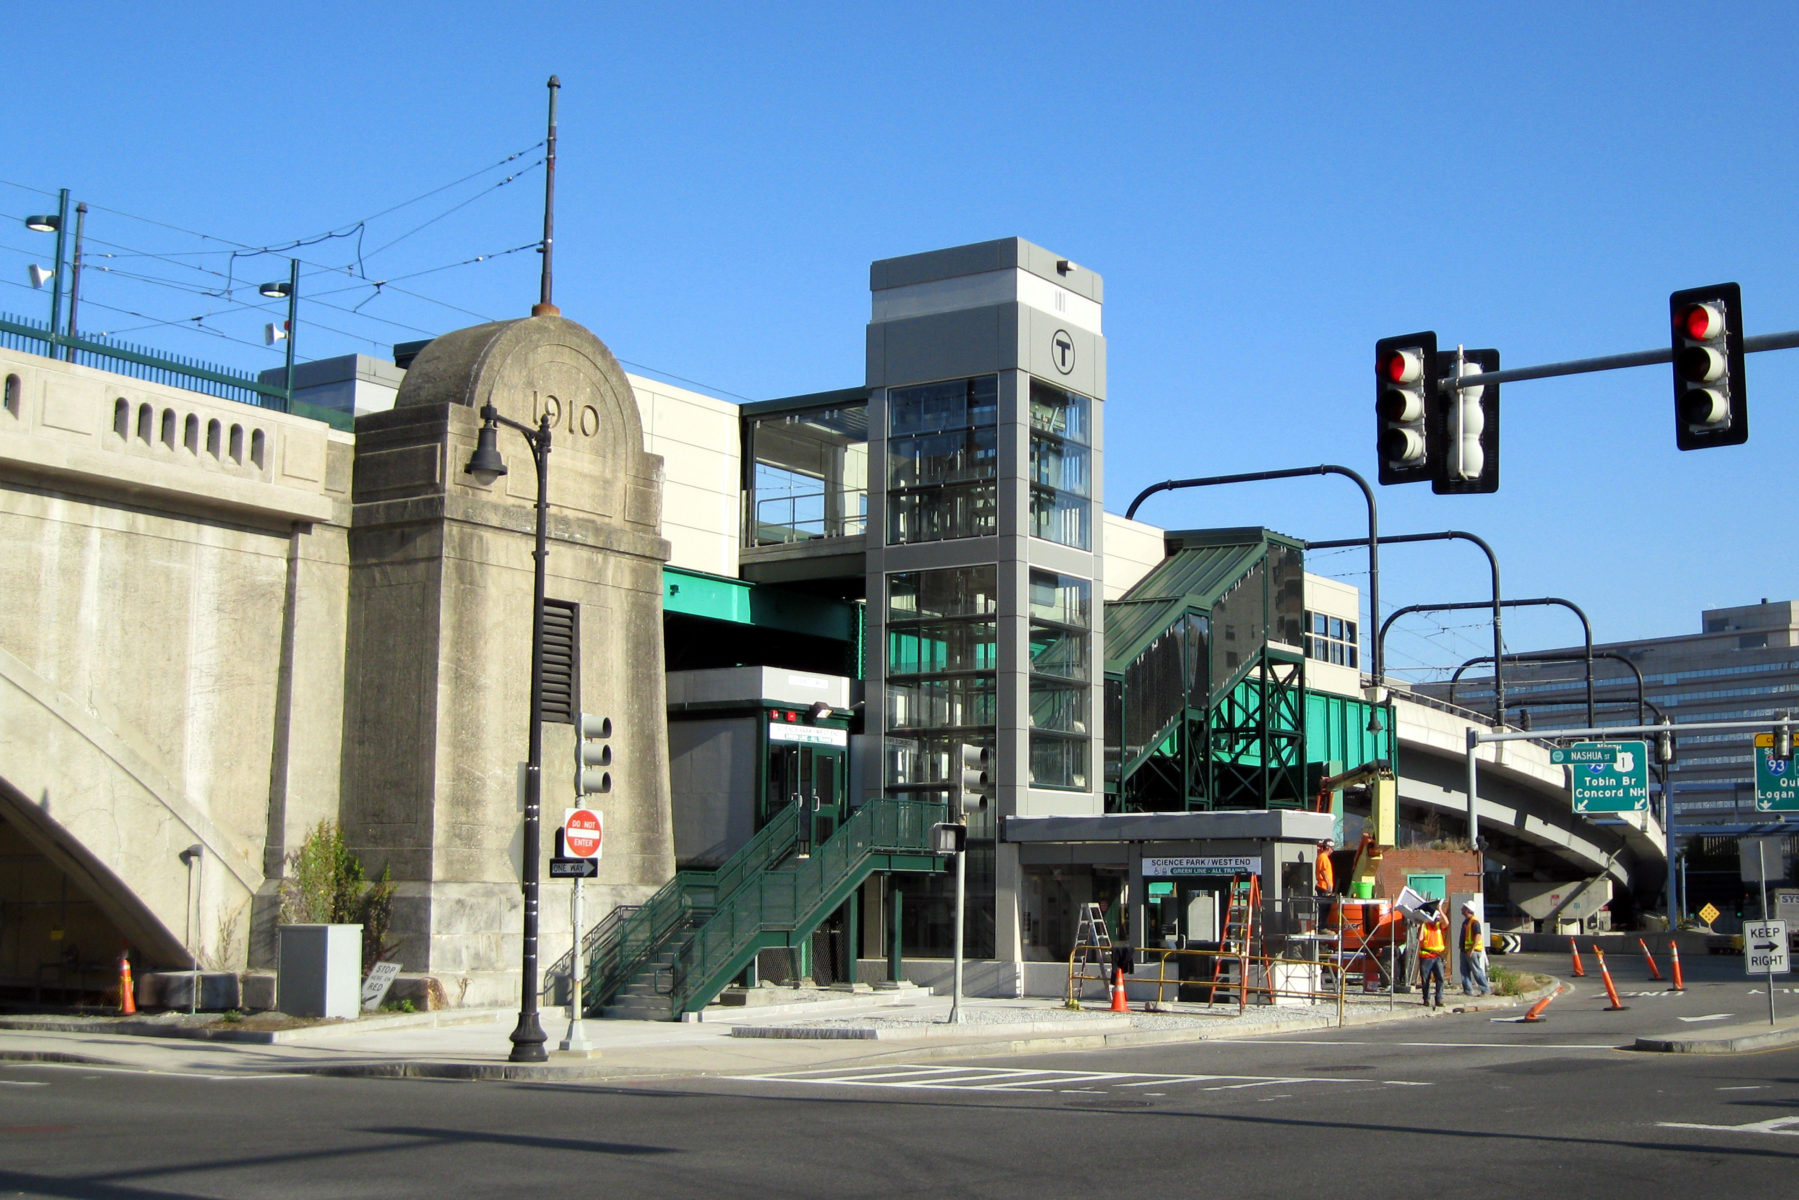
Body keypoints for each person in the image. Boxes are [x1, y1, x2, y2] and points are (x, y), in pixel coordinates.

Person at [1416, 902, 1449, 1007]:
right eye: (1436, 918)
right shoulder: (1425, 926)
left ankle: (1439, 999)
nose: (1437, 920)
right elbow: (1420, 938)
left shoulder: (1439, 926)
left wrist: (1440, 910)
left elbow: (1447, 923)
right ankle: (1426, 999)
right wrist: (1422, 923)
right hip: (1426, 957)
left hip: (1437, 956)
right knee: (1425, 979)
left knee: (1440, 978)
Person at [1459, 901, 1491, 996]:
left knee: (1476, 971)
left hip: (1472, 951)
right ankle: (1468, 990)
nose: (1461, 909)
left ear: (1468, 910)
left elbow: (1478, 936)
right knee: (1464, 971)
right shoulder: (1466, 921)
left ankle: (1485, 989)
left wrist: (1471, 949)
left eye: (1464, 908)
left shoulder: (1474, 922)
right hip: (1465, 950)